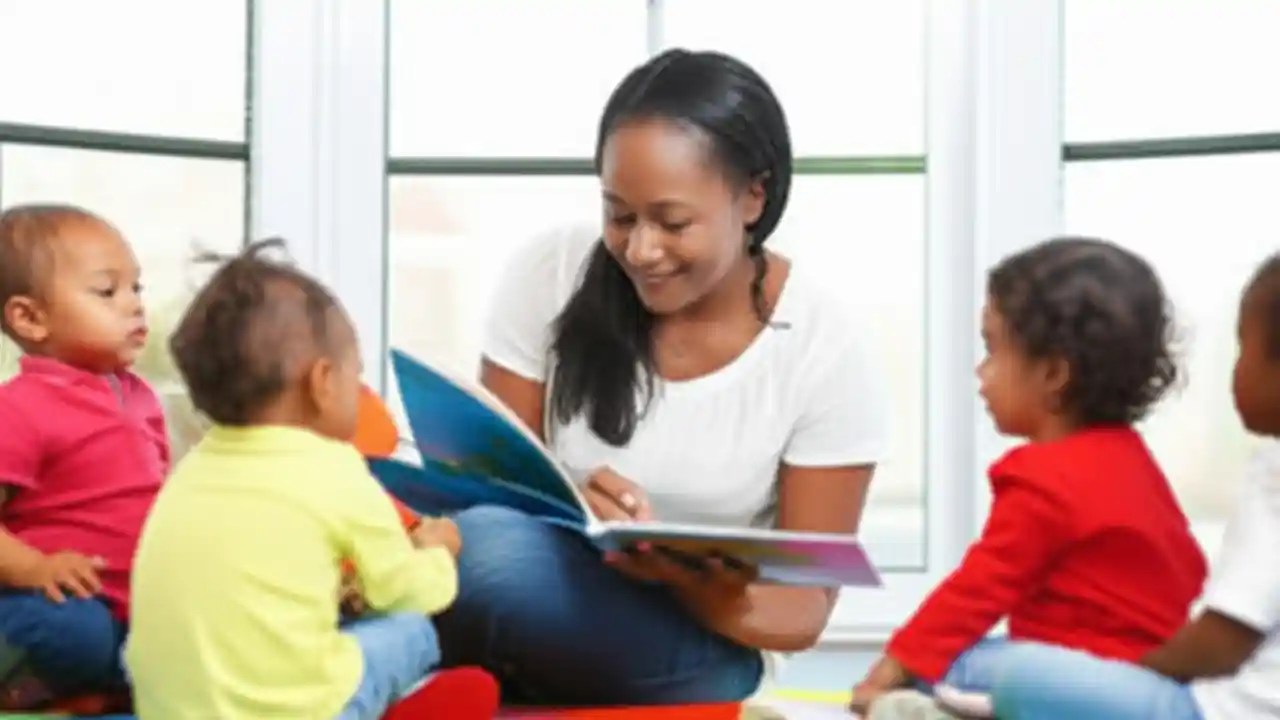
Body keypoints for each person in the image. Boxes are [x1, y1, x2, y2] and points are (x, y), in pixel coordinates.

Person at [432, 47, 891, 705]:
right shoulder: (550, 273)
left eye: (673, 223)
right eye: (619, 215)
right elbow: (484, 490)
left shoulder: (825, 348)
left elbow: (805, 609)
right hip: (547, 588)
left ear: (753, 197)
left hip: (707, 639)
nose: (641, 250)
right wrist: (569, 503)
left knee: (486, 559)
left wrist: (683, 579)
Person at [124, 240, 497, 719]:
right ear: (322, 382)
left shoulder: (190, 474)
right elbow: (411, 592)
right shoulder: (335, 469)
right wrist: (438, 551)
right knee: (412, 631)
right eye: (355, 377)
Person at [852, 238, 1208, 714]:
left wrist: (889, 672)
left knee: (950, 665)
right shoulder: (1129, 461)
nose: (981, 373)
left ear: (1054, 374)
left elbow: (977, 590)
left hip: (1087, 678)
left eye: (992, 350)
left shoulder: (1046, 477)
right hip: (1154, 682)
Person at [989, 252, 1280, 720]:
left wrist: (1137, 677)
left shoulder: (1275, 474)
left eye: (1242, 346)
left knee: (1001, 671)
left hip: (1216, 712)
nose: (1237, 370)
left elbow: (1225, 640)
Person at [0, 204, 166, 710]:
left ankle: (92, 692)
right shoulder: (21, 407)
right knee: (76, 631)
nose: (133, 305)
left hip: (130, 613)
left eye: (137, 288)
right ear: (30, 318)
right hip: (49, 606)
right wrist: (33, 567)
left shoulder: (141, 398)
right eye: (107, 291)